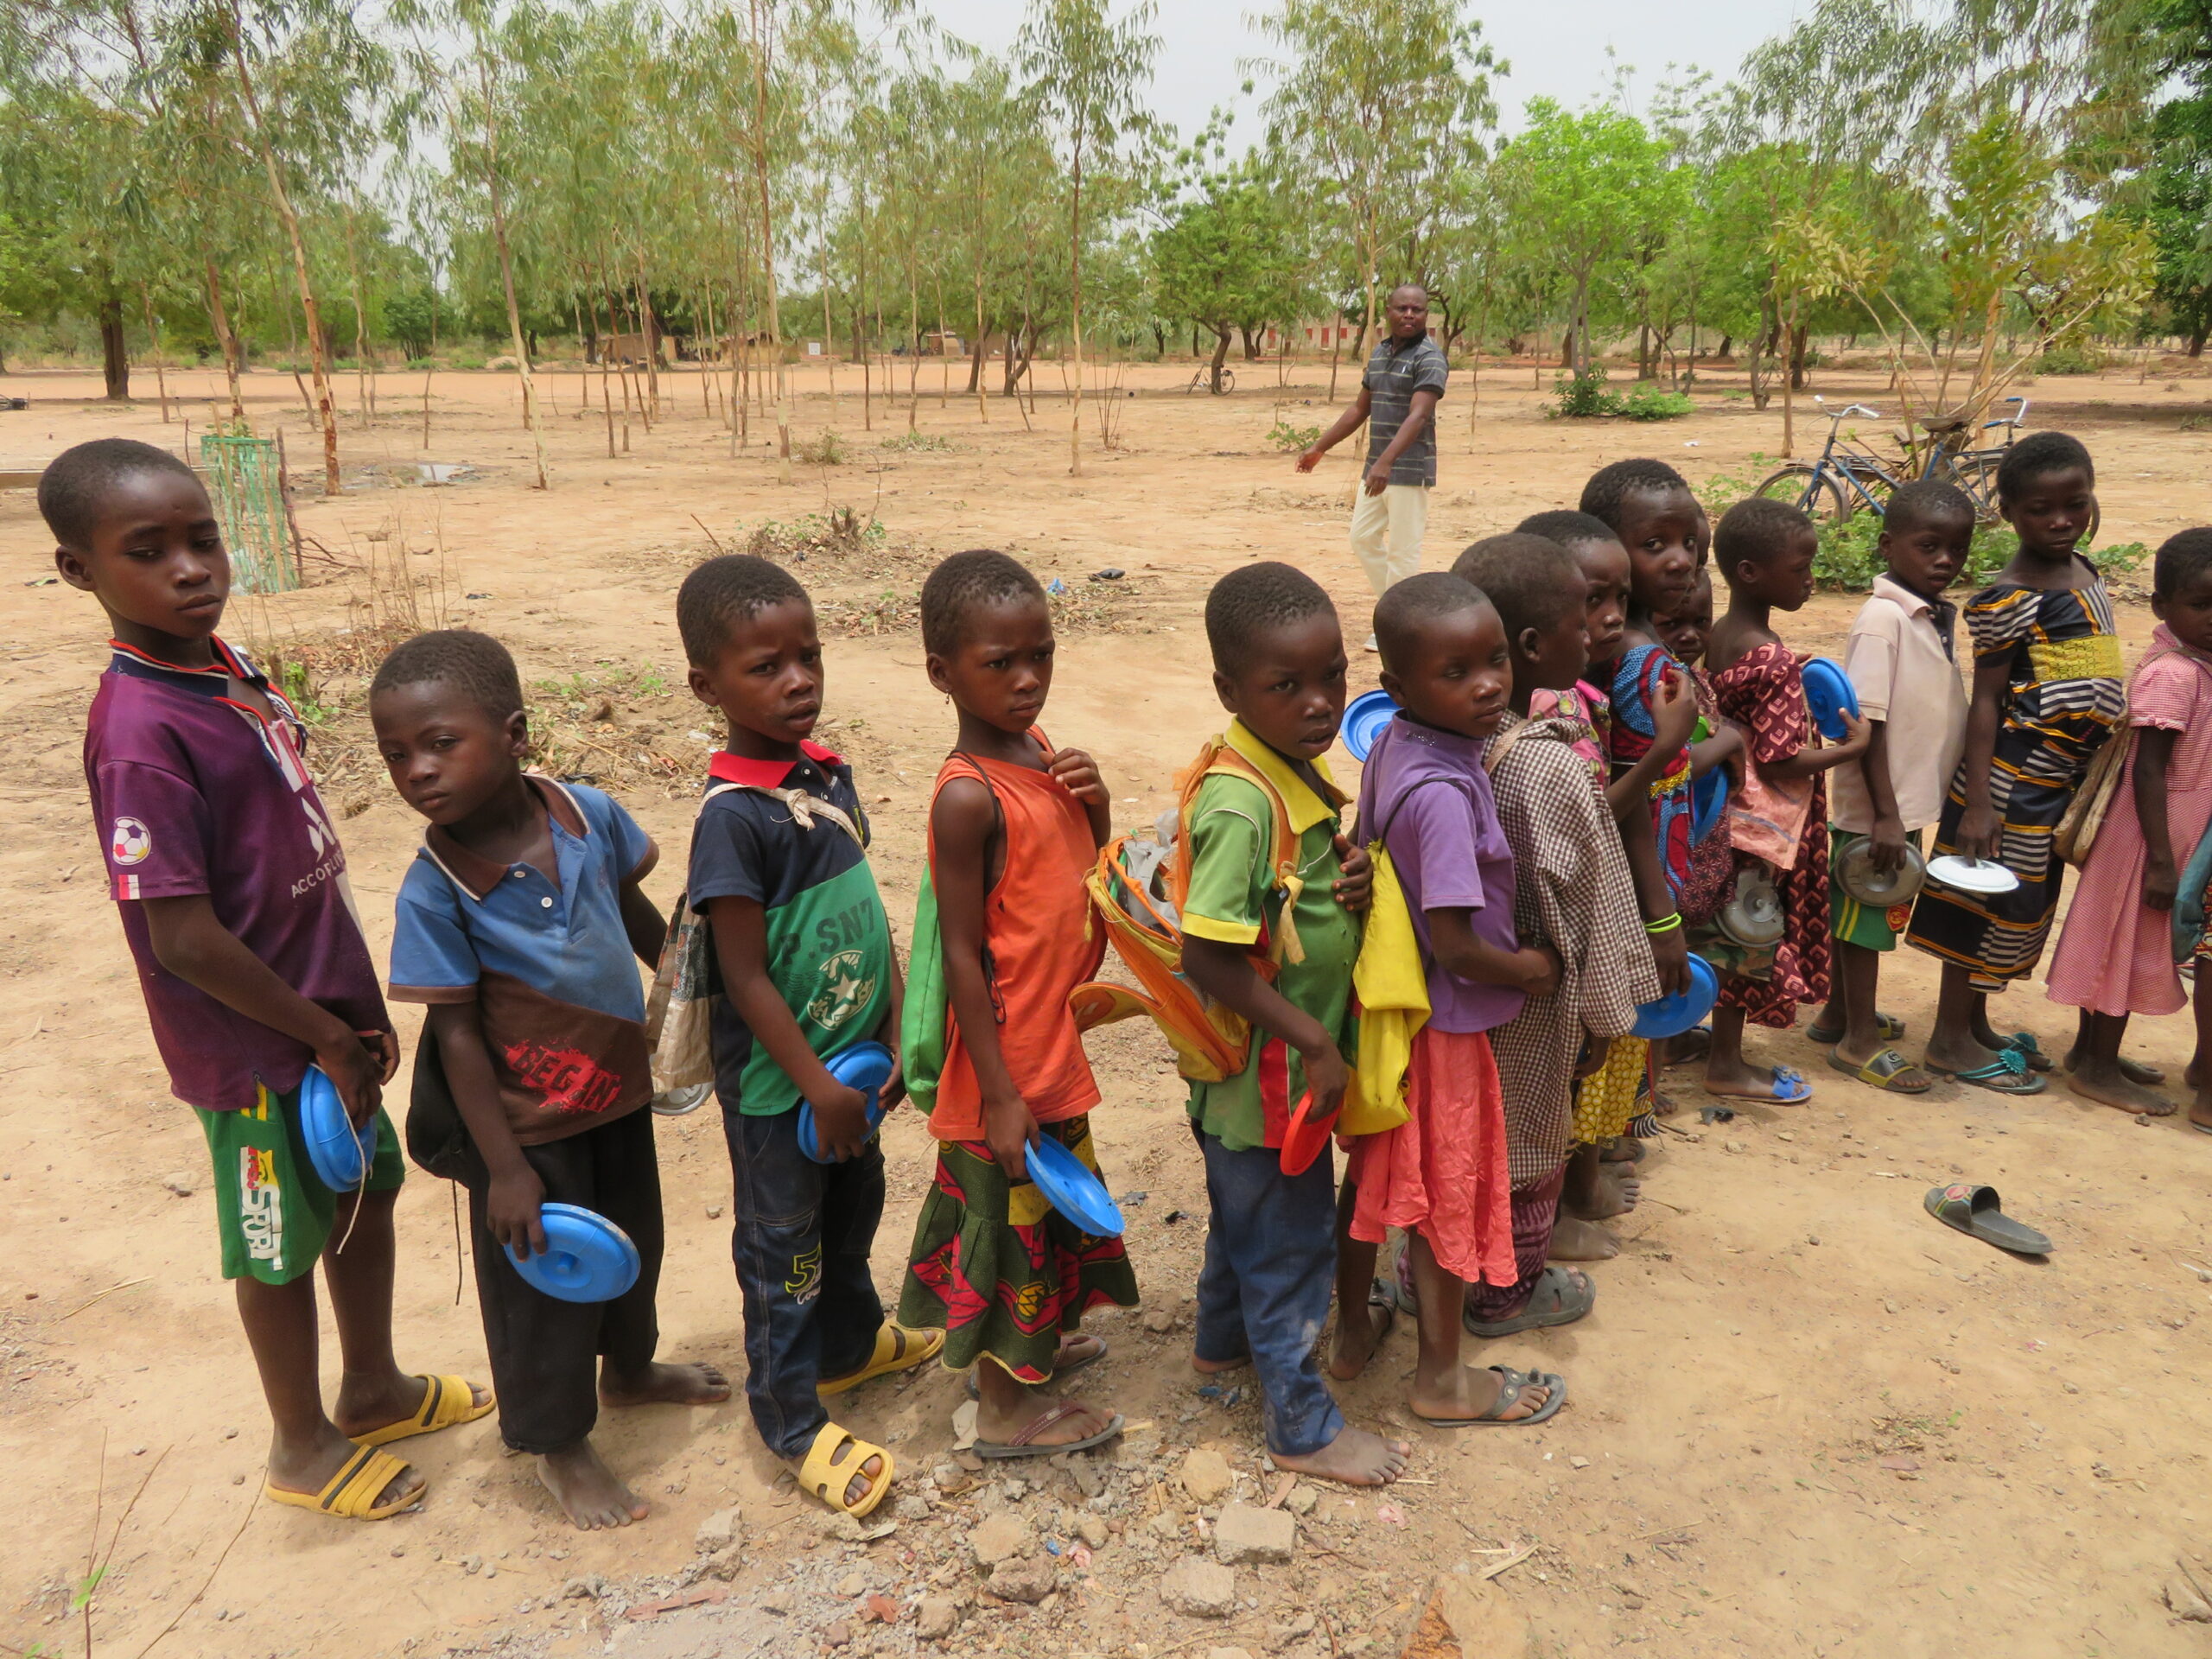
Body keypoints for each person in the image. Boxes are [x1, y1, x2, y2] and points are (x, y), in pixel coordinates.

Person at [46, 437, 488, 1523]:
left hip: (319, 1010)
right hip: (253, 1047)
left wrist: (345, 1018)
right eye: (147, 553)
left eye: (202, 540)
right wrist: (317, 1036)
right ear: (80, 572)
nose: (191, 570)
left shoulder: (221, 666)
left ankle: (373, 1387)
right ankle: (299, 1443)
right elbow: (183, 937)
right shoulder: (140, 729)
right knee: (277, 1239)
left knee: (362, 1192)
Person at [375, 630, 730, 1529]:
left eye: (440, 742)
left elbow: (642, 919)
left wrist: (700, 1007)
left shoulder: (591, 816)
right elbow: (454, 1035)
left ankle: (633, 1370)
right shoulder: (436, 890)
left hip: (617, 1095)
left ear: (515, 733)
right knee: (540, 1292)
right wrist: (504, 1171)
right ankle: (557, 1444)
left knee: (632, 1249)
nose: (417, 769)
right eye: (396, 754)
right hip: (527, 1129)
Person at [678, 554, 936, 1518]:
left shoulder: (825, 776)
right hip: (785, 1092)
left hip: (851, 1070)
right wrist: (816, 1087)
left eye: (808, 657)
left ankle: (850, 1344)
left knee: (853, 1207)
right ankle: (790, 1419)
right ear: (709, 686)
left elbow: (862, 908)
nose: (798, 682)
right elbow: (744, 975)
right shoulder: (733, 823)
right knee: (785, 1251)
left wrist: (902, 1024)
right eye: (766, 668)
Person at [897, 550, 1137, 1456]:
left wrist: (1099, 808)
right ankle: (1003, 1406)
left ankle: (1035, 1349)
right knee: (1004, 1230)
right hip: (1005, 1059)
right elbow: (960, 951)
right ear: (942, 674)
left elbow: (1079, 877)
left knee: (1050, 1204)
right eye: (1000, 664)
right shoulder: (966, 798)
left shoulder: (1038, 753)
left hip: (1049, 1041)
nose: (1027, 678)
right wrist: (996, 1090)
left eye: (1041, 653)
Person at [1179, 562, 1408, 1485]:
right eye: (1288, 687)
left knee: (1245, 1221)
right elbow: (1208, 955)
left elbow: (1293, 891)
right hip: (1272, 1079)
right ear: (1231, 690)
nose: (1319, 705)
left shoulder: (1281, 770)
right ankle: (1301, 1427)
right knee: (1290, 1244)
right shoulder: (1242, 803)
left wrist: (1345, 875)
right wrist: (1316, 1043)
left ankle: (1217, 1347)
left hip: (1244, 1079)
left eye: (1331, 680)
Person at [1330, 571, 1564, 1427]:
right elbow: (1459, 942)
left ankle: (1352, 1334)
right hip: (1446, 1024)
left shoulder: (1396, 741)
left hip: (1390, 1011)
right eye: (1456, 672)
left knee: (1377, 1176)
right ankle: (1439, 1380)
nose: (1489, 685)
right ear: (1397, 687)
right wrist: (1534, 968)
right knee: (1445, 1193)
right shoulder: (1443, 793)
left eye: (1495, 660)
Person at [1455, 535, 1660, 1313]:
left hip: (1452, 1005)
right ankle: (1506, 1294)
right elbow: (1594, 912)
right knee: (1528, 1151)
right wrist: (1607, 1020)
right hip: (1536, 1008)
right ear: (1534, 647)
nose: (1596, 629)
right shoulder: (1548, 767)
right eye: (1582, 618)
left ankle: (1431, 1279)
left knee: (1460, 1150)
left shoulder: (1431, 746)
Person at [1907, 432, 2123, 1095]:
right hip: (2008, 777)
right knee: (1980, 898)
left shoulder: (2083, 569)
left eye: (2074, 504)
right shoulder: (2011, 595)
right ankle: (1947, 1039)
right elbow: (1988, 700)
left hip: (2057, 777)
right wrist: (1978, 804)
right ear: (2008, 513)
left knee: (2022, 901)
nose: (2060, 520)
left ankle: (1974, 1023)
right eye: (2039, 509)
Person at [1524, 494, 1695, 1234]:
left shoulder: (1588, 690)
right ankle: (1560, 1203)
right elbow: (1606, 812)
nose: (1613, 616)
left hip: (1583, 906)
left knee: (1590, 1054)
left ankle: (1579, 1180)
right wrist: (1663, 748)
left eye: (1621, 596)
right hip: (1560, 917)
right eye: (1593, 600)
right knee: (1569, 1059)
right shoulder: (1549, 707)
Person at [1700, 498, 1872, 1103]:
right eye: (1800, 569)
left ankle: (1706, 1046)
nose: (1810, 580)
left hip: (1726, 813)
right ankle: (1725, 1060)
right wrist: (1850, 749)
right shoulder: (1770, 657)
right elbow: (1780, 758)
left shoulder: (1722, 633)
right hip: (1762, 826)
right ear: (1751, 572)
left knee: (1726, 929)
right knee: (1747, 934)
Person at [1810, 481, 1975, 1095]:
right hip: (1878, 807)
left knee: (1863, 910)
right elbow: (1867, 724)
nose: (1944, 560)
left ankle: (1837, 1015)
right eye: (1929, 545)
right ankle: (1858, 1043)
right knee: (1867, 918)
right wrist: (1884, 813)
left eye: (1957, 548)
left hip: (1899, 800)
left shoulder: (1924, 613)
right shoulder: (1883, 620)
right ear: (1888, 545)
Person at [2047, 528, 2212, 1122]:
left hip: (2165, 834)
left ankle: (2093, 1053)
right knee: (2123, 947)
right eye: (2201, 604)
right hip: (2148, 838)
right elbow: (2148, 769)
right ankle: (2097, 1067)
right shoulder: (2175, 674)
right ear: (2163, 606)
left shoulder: (2198, 665)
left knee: (2117, 944)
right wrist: (2164, 859)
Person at [1295, 285, 1450, 635]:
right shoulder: (1380, 354)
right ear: (1388, 311)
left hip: (1407, 471)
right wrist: (1320, 446)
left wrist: (1387, 461)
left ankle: (1400, 630)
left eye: (1417, 310)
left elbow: (1419, 415)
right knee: (1362, 538)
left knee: (1403, 554)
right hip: (1378, 469)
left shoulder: (1430, 358)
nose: (1409, 315)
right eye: (1402, 308)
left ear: (1426, 315)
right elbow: (1359, 408)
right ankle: (1402, 612)